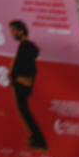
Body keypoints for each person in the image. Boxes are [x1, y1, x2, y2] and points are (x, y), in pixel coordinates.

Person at [9, 19, 47, 149]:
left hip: (22, 84)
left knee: (25, 112)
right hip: (20, 83)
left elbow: (30, 67)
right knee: (24, 111)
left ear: (21, 30)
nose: (12, 33)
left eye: (14, 30)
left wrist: (21, 79)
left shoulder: (26, 46)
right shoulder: (24, 46)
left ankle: (39, 139)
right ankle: (36, 137)